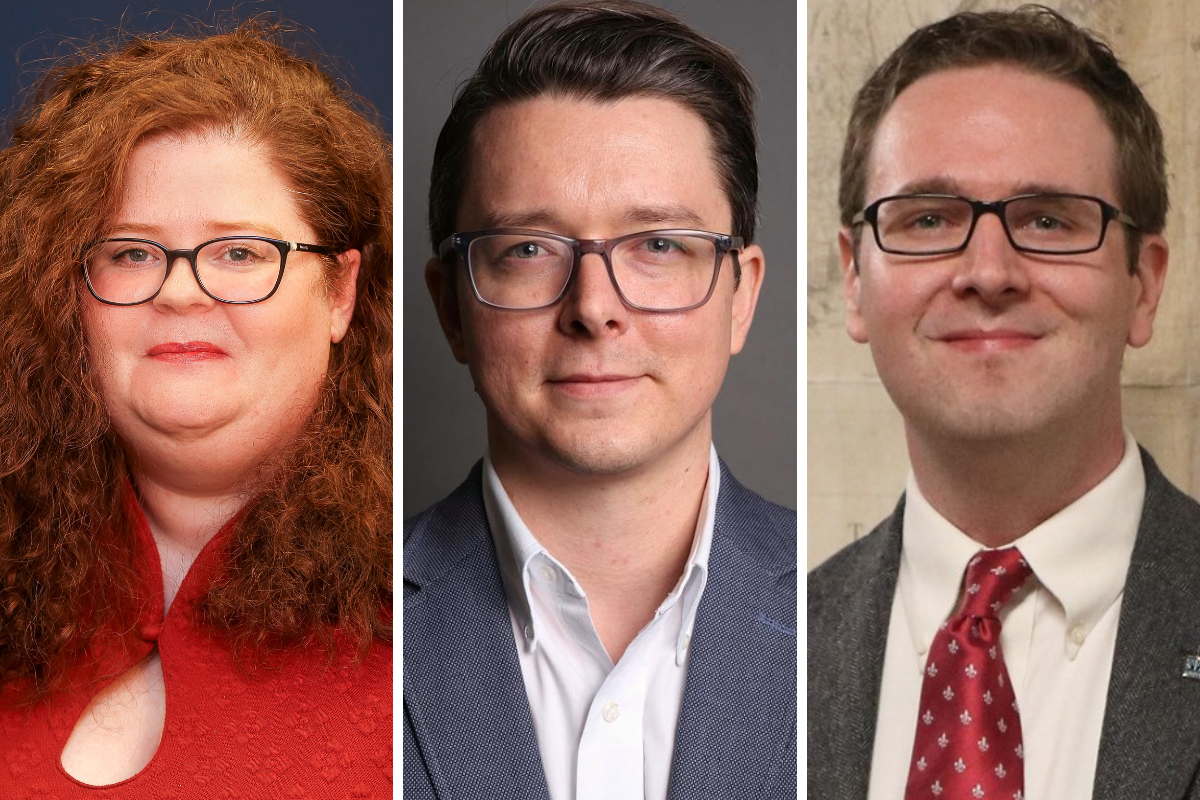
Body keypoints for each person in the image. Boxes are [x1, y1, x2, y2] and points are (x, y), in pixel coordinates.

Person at [403, 2, 797, 798]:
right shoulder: (343, 624)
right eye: (528, 249)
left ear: (741, 298)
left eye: (659, 244)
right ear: (450, 308)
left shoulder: (850, 611)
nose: (593, 308)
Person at [807, 5, 1200, 799]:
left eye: (1049, 220)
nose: (988, 272)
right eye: (928, 218)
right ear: (853, 279)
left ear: (1144, 283)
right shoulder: (772, 641)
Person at [0, 16, 393, 798]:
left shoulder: (424, 622)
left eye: (240, 252)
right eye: (130, 252)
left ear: (340, 293)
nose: (179, 292)